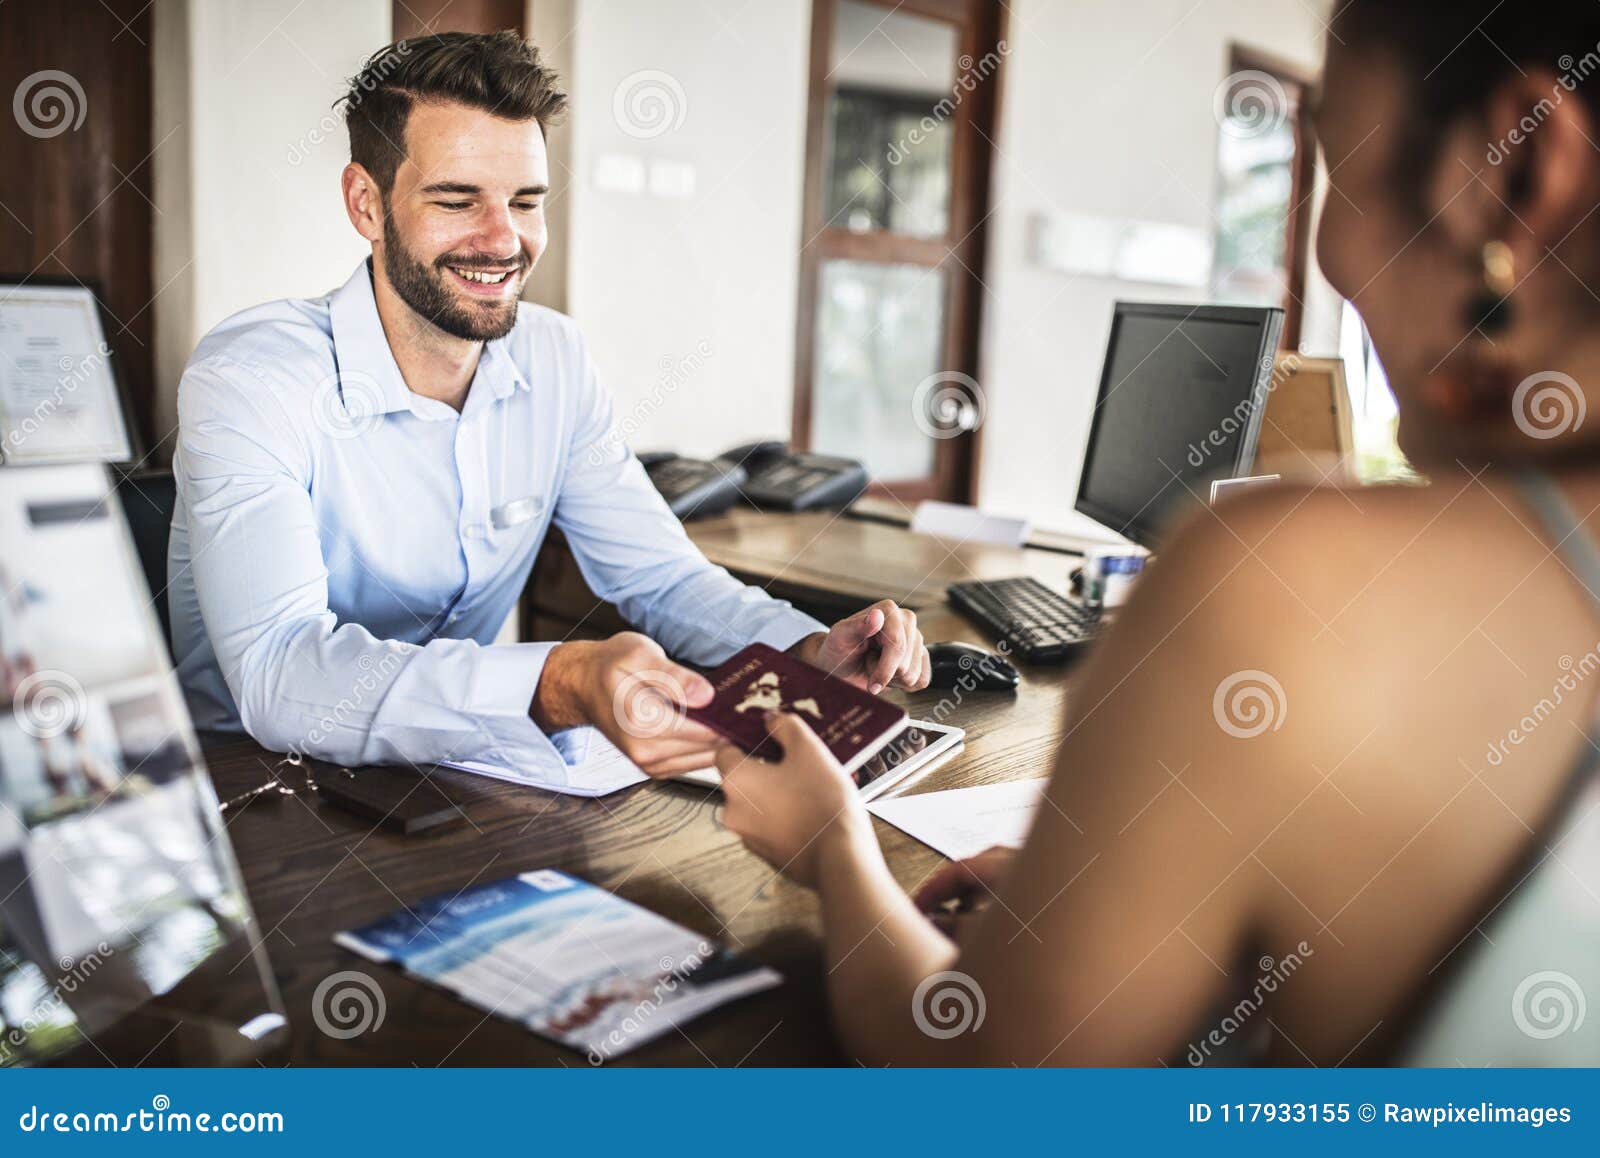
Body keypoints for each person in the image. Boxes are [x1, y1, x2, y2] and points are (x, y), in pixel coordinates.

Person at [714, 0, 1600, 1066]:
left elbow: (986, 1093)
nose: (1324, 253)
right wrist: (1159, 905)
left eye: (1335, 169)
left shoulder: (1295, 585)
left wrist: (832, 849)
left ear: (1518, 169)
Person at [168, 32, 929, 782]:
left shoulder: (555, 358)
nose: (504, 241)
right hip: (257, 788)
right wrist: (558, 680)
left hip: (458, 772)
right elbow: (278, 671)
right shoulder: (253, 378)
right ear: (366, 204)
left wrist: (802, 650)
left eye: (526, 202)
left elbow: (662, 579)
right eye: (457, 199)